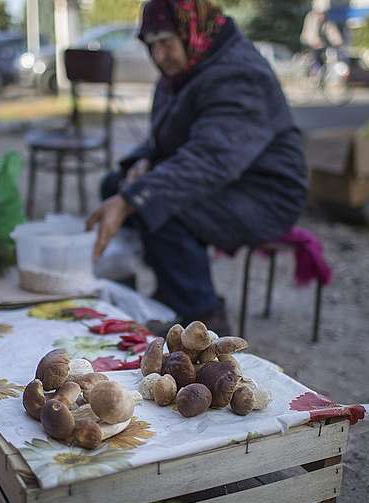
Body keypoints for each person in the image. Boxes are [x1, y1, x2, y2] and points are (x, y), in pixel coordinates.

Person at [87, 0, 307, 335]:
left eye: (165, 42)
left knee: (156, 204)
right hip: (224, 181)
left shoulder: (238, 74)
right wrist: (142, 164)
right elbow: (167, 140)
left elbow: (211, 158)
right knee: (115, 186)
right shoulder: (182, 69)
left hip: (264, 193)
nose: (159, 56)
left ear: (193, 29)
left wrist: (135, 197)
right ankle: (168, 289)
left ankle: (203, 317)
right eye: (151, 45)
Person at [300, 2, 343, 71]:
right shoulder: (311, 18)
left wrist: (338, 41)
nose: (322, 15)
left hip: (321, 46)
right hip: (310, 45)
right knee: (313, 60)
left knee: (327, 59)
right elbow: (309, 32)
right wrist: (314, 42)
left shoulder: (326, 20)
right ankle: (313, 72)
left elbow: (331, 31)